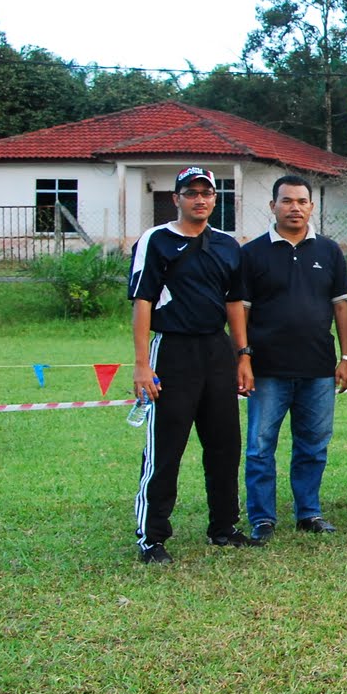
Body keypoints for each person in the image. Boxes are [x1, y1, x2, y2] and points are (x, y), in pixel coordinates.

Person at [128, 166, 253, 563]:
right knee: (166, 448)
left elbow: (235, 303)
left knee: (224, 445)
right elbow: (143, 302)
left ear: (216, 200)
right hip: (173, 352)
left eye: (207, 193)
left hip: (216, 351)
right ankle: (152, 537)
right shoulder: (157, 241)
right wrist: (141, 364)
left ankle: (223, 527)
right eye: (191, 192)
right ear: (176, 198)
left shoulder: (228, 245)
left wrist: (242, 355)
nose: (200, 199)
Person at [240, 174, 347, 542]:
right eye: (287, 201)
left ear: (312, 207)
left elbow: (341, 308)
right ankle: (262, 518)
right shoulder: (252, 253)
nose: (294, 207)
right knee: (260, 447)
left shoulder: (329, 252)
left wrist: (346, 357)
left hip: (318, 367)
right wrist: (242, 356)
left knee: (313, 445)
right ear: (272, 205)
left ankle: (309, 512)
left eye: (301, 201)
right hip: (267, 369)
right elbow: (239, 310)